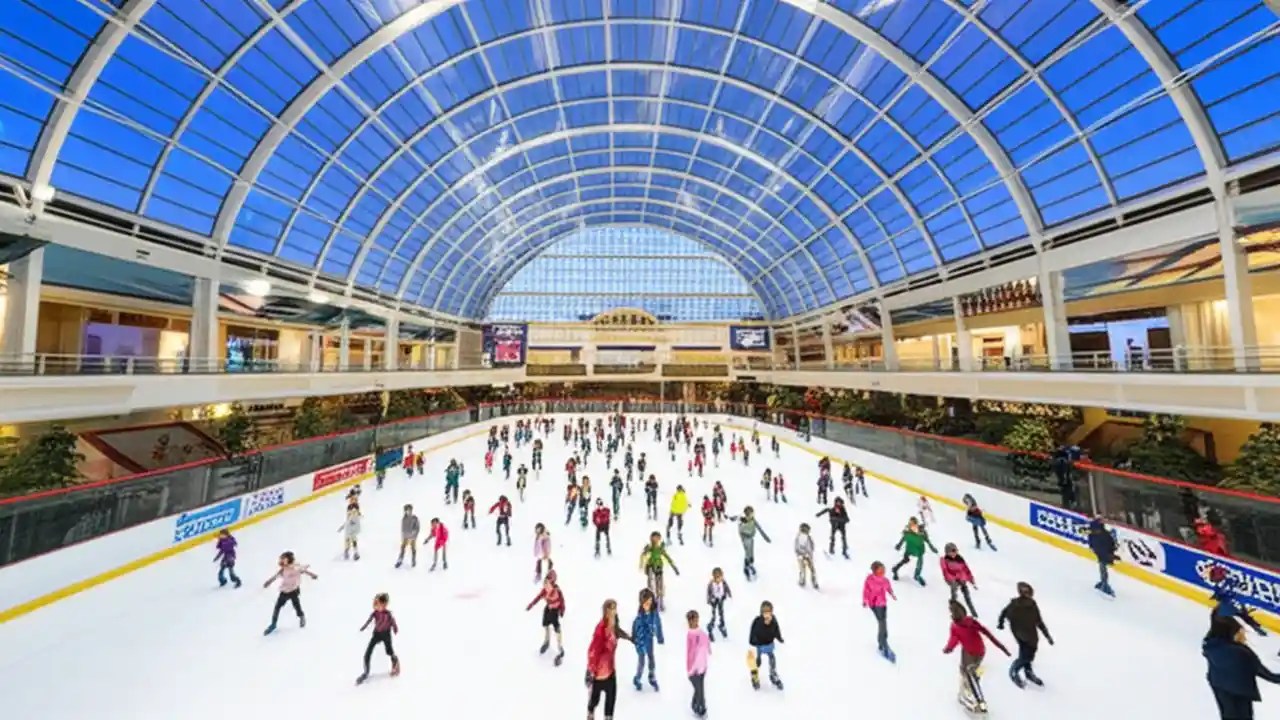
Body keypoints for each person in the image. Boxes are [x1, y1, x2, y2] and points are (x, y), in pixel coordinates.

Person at [1203, 615, 1280, 720]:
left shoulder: (1211, 645)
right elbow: (1271, 677)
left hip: (1219, 686)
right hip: (1240, 693)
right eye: (1241, 631)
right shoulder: (1243, 654)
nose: (1244, 633)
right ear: (1233, 633)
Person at [943, 600, 1009, 713]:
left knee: (969, 673)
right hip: (980, 651)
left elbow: (954, 640)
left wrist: (948, 648)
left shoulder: (955, 627)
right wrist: (1001, 647)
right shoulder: (971, 622)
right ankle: (970, 683)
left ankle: (980, 702)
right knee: (967, 670)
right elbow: (987, 633)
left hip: (970, 653)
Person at [998, 581, 1054, 688]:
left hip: (1018, 633)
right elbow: (1039, 621)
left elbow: (1004, 613)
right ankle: (1014, 671)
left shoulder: (1014, 603)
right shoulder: (1031, 605)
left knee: (1024, 652)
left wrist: (1001, 623)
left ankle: (1028, 672)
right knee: (1028, 656)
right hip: (1029, 635)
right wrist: (1048, 636)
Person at [586, 599, 633, 720]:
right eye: (610, 609)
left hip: (611, 671)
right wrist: (590, 670)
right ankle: (590, 713)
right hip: (599, 674)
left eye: (614, 608)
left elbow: (617, 631)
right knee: (594, 700)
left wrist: (630, 638)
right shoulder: (601, 629)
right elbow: (593, 651)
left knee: (611, 700)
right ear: (605, 611)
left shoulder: (614, 623)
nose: (613, 611)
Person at [263, 551, 317, 635]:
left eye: (283, 559)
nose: (281, 561)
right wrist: (268, 582)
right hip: (284, 591)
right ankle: (273, 624)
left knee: (296, 606)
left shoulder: (296, 568)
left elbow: (304, 571)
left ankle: (301, 616)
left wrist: (313, 575)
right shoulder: (283, 569)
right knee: (277, 607)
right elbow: (276, 576)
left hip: (293, 591)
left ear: (288, 560)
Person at [356, 593, 400, 684]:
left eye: (377, 604)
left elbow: (393, 622)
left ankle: (395, 662)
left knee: (389, 651)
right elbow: (369, 621)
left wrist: (395, 628)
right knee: (368, 652)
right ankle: (366, 672)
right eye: (374, 604)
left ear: (384, 605)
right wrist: (363, 628)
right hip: (377, 634)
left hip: (386, 635)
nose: (375, 606)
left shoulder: (388, 614)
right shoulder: (375, 613)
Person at [526, 575, 566, 666]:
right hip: (548, 608)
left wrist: (562, 610)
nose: (545, 585)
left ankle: (560, 647)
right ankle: (546, 642)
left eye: (547, 583)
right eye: (545, 583)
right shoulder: (544, 590)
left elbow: (562, 601)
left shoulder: (557, 591)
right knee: (545, 624)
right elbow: (538, 597)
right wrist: (531, 605)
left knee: (556, 627)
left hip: (555, 611)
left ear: (552, 584)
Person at [631, 588, 665, 691]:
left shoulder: (654, 613)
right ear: (641, 603)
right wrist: (635, 639)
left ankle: (652, 675)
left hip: (649, 639)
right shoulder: (639, 617)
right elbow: (635, 629)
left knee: (651, 657)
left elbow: (658, 624)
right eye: (646, 603)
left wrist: (660, 637)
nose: (648, 605)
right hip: (641, 642)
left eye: (650, 602)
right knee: (641, 662)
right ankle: (637, 678)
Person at [862, 561, 896, 662]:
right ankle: (883, 643)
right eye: (880, 570)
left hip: (882, 604)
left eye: (884, 569)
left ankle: (882, 642)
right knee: (882, 623)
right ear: (875, 571)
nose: (883, 571)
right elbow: (866, 591)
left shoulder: (885, 580)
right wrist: (865, 600)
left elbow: (888, 587)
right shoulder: (870, 580)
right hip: (874, 604)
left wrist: (891, 593)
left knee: (883, 622)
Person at [748, 601, 784, 690]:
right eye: (765, 612)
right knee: (756, 661)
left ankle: (773, 674)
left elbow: (776, 630)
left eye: (769, 612)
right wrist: (754, 642)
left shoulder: (773, 620)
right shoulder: (757, 621)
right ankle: (754, 676)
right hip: (759, 645)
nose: (767, 614)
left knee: (772, 658)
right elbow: (752, 634)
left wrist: (779, 638)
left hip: (768, 644)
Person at [640, 531, 680, 611]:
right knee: (651, 586)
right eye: (655, 537)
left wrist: (674, 566)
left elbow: (667, 557)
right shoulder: (650, 547)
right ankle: (652, 602)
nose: (657, 539)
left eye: (658, 538)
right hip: (651, 568)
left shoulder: (660, 548)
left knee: (660, 586)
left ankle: (660, 602)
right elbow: (643, 556)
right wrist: (644, 555)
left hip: (659, 568)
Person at [728, 506, 772, 580]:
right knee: (747, 550)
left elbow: (760, 529)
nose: (752, 516)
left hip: (751, 537)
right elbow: (736, 518)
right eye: (751, 514)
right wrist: (730, 518)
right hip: (745, 537)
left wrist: (766, 538)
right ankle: (746, 566)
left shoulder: (753, 520)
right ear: (747, 515)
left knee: (751, 551)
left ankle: (750, 563)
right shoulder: (742, 520)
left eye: (753, 514)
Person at [892, 516, 938, 585]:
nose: (911, 526)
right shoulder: (907, 532)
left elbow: (927, 541)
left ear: (917, 524)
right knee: (906, 560)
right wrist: (899, 545)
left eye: (913, 524)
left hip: (918, 550)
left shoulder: (922, 533)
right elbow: (903, 538)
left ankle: (917, 575)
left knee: (920, 561)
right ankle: (895, 569)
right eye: (910, 524)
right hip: (910, 548)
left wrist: (932, 548)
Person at [940, 543, 979, 617]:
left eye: (955, 551)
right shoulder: (944, 560)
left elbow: (966, 570)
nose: (954, 553)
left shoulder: (960, 559)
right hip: (952, 579)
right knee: (954, 587)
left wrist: (971, 580)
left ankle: (973, 611)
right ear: (947, 553)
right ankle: (953, 602)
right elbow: (945, 572)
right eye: (952, 552)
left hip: (961, 579)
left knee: (966, 593)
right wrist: (953, 579)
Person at [686, 609, 711, 718]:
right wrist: (690, 667)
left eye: (695, 620)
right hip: (693, 668)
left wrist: (708, 649)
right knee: (699, 689)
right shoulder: (690, 635)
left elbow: (706, 643)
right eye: (691, 621)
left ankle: (696, 705)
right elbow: (689, 651)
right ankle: (700, 707)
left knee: (699, 688)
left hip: (702, 666)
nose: (694, 622)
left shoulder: (701, 633)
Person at [1087, 516, 1117, 596]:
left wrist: (1111, 554)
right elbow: (1092, 544)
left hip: (1105, 554)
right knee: (1102, 568)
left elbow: (1111, 544)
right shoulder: (1093, 534)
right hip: (1100, 553)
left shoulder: (1105, 535)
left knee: (1103, 567)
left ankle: (1104, 583)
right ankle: (1104, 582)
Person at [705, 567, 731, 642]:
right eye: (718, 577)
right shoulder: (711, 584)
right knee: (714, 614)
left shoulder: (723, 582)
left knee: (721, 613)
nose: (720, 579)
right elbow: (709, 593)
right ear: (714, 577)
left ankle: (722, 625)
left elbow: (727, 588)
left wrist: (729, 594)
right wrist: (710, 600)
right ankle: (711, 625)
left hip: (721, 599)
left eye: (721, 576)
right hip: (714, 600)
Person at [396, 504, 420, 569]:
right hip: (405, 537)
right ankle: (400, 560)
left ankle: (413, 560)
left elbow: (417, 528)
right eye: (407, 510)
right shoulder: (404, 519)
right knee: (403, 548)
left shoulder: (415, 518)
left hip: (412, 537)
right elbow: (403, 529)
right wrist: (403, 536)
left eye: (410, 510)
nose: (408, 512)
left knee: (413, 549)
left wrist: (414, 534)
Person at [795, 523, 818, 590]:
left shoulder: (808, 537)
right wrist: (801, 555)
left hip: (808, 556)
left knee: (812, 570)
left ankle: (814, 582)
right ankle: (802, 581)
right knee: (803, 569)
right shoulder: (799, 538)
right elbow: (797, 548)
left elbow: (811, 546)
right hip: (802, 556)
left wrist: (810, 554)